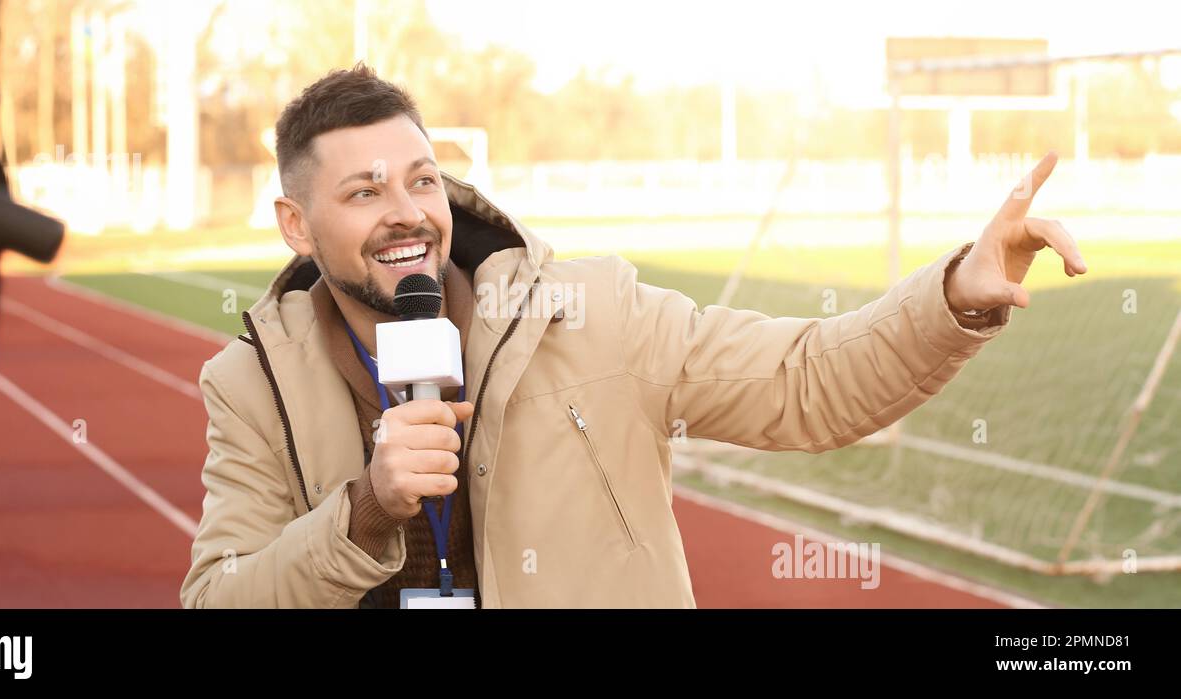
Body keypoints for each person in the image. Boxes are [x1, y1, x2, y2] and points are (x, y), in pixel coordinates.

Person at [180, 63, 1087, 608]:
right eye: (364, 192)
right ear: (296, 225)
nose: (408, 213)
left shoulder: (594, 313)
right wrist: (366, 506)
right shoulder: (251, 382)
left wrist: (959, 294)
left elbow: (806, 382)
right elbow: (221, 598)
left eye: (421, 180)